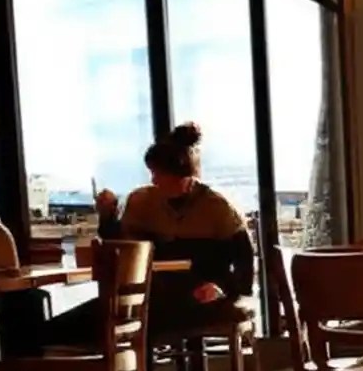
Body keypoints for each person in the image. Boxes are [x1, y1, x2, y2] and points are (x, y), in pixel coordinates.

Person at [48, 122, 255, 345]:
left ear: (181, 174)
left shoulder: (218, 208)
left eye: (159, 173)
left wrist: (222, 288)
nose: (154, 180)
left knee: (121, 321)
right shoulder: (142, 201)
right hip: (150, 293)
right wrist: (107, 217)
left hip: (198, 295)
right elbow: (122, 249)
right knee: (82, 322)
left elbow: (245, 262)